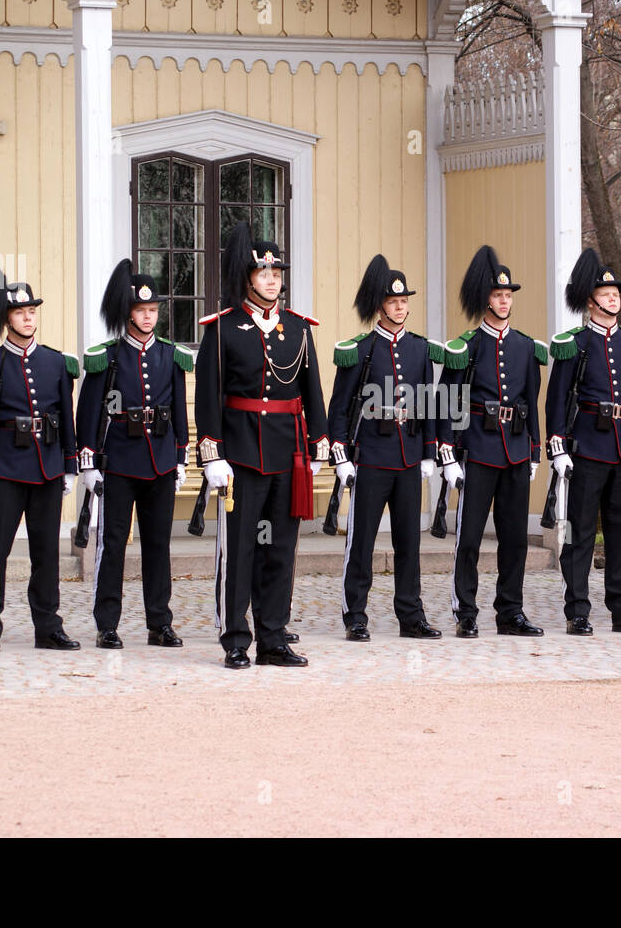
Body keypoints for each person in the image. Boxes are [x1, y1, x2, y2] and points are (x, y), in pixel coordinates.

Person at [195, 223, 330, 669]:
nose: (271, 280)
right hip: (240, 456)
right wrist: (211, 453)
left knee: (279, 550)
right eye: (263, 273)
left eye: (276, 273)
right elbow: (209, 395)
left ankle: (272, 638)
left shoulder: (298, 328)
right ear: (248, 278)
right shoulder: (222, 328)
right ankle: (235, 638)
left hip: (286, 454)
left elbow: (312, 391)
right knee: (240, 550)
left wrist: (318, 443)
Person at [0, 268, 81, 652]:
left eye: (32, 310)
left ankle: (48, 626)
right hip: (7, 469)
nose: (28, 317)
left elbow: (66, 416)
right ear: (6, 319)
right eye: (20, 312)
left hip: (47, 467)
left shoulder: (56, 363)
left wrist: (70, 465)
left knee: (46, 553)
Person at [76, 259, 192, 649]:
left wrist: (179, 457)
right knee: (113, 544)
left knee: (158, 545)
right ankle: (106, 623)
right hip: (120, 461)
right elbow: (89, 412)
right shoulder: (106, 357)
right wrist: (88, 459)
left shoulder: (170, 356)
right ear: (128, 313)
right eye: (141, 311)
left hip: (159, 460)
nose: (147, 317)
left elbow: (178, 410)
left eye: (153, 310)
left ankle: (159, 622)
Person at [328, 254, 442, 641]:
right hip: (371, 457)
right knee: (361, 541)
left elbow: (428, 403)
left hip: (408, 456)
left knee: (409, 541)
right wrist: (340, 452)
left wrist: (429, 452)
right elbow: (339, 405)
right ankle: (355, 615)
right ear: (380, 306)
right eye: (394, 302)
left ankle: (411, 615)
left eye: (404, 301)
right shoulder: (359, 350)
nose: (400, 307)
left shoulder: (420, 350)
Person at [545, 249, 621, 636]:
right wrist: (557, 445)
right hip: (587, 447)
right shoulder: (573, 344)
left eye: (615, 293)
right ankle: (577, 609)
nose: (613, 299)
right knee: (578, 532)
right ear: (590, 301)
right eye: (606, 294)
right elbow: (557, 398)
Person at [436, 245, 546, 638]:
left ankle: (510, 612)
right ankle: (465, 611)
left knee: (515, 539)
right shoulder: (466, 347)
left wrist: (534, 449)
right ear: (486, 299)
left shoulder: (525, 347)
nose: (504, 301)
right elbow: (446, 401)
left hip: (515, 451)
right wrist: (447, 452)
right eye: (498, 295)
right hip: (478, 450)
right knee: (468, 538)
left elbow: (531, 401)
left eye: (508, 295)